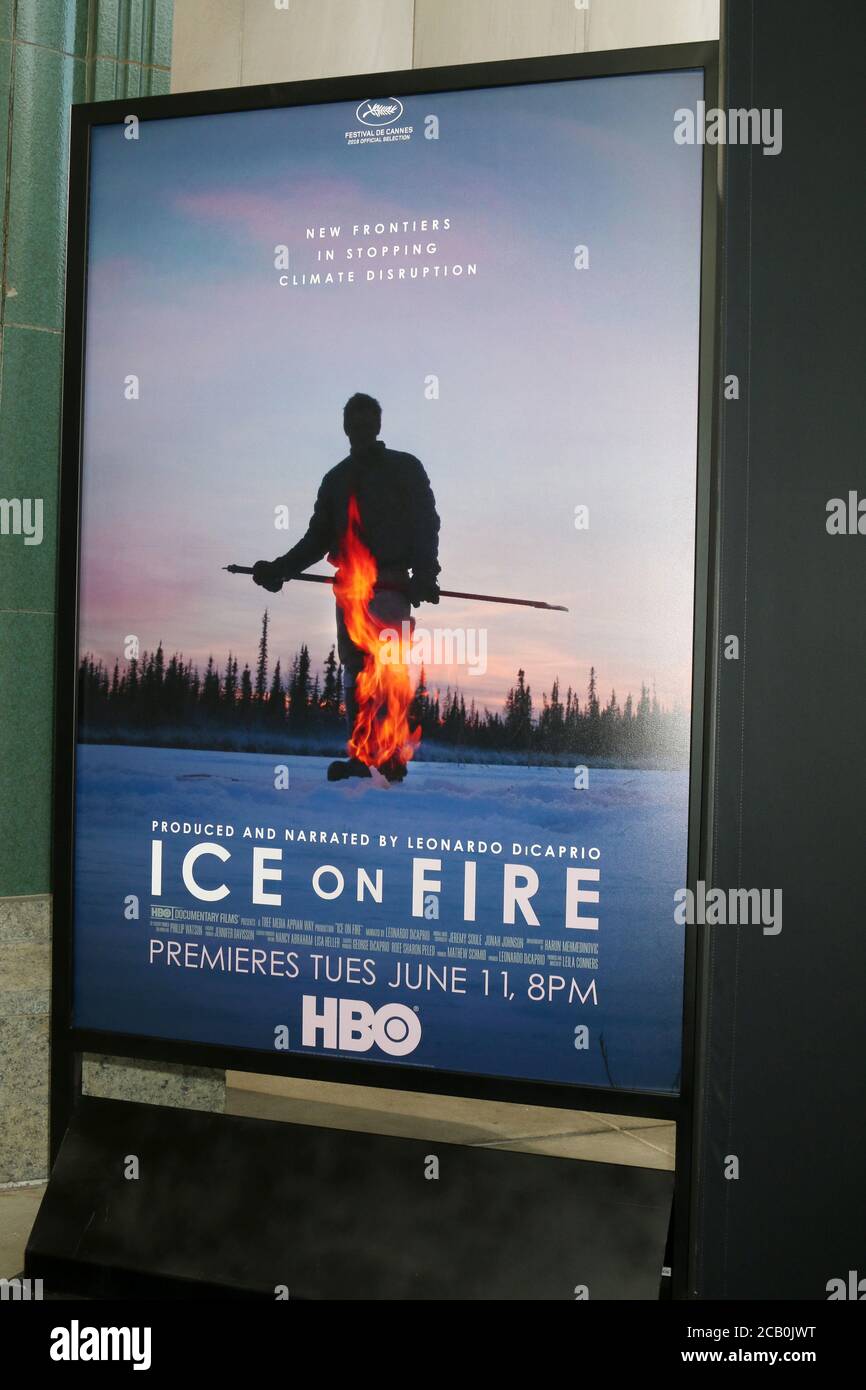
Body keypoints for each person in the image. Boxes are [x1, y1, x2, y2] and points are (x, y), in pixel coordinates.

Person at [253, 394, 440, 780]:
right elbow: (317, 538)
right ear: (345, 427)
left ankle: (390, 757)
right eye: (353, 422)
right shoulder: (335, 480)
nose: (360, 429)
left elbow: (426, 521)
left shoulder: (405, 469)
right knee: (356, 670)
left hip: (390, 585)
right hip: (349, 590)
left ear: (378, 424)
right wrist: (281, 569)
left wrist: (425, 573)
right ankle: (361, 756)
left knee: (388, 668)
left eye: (367, 421)